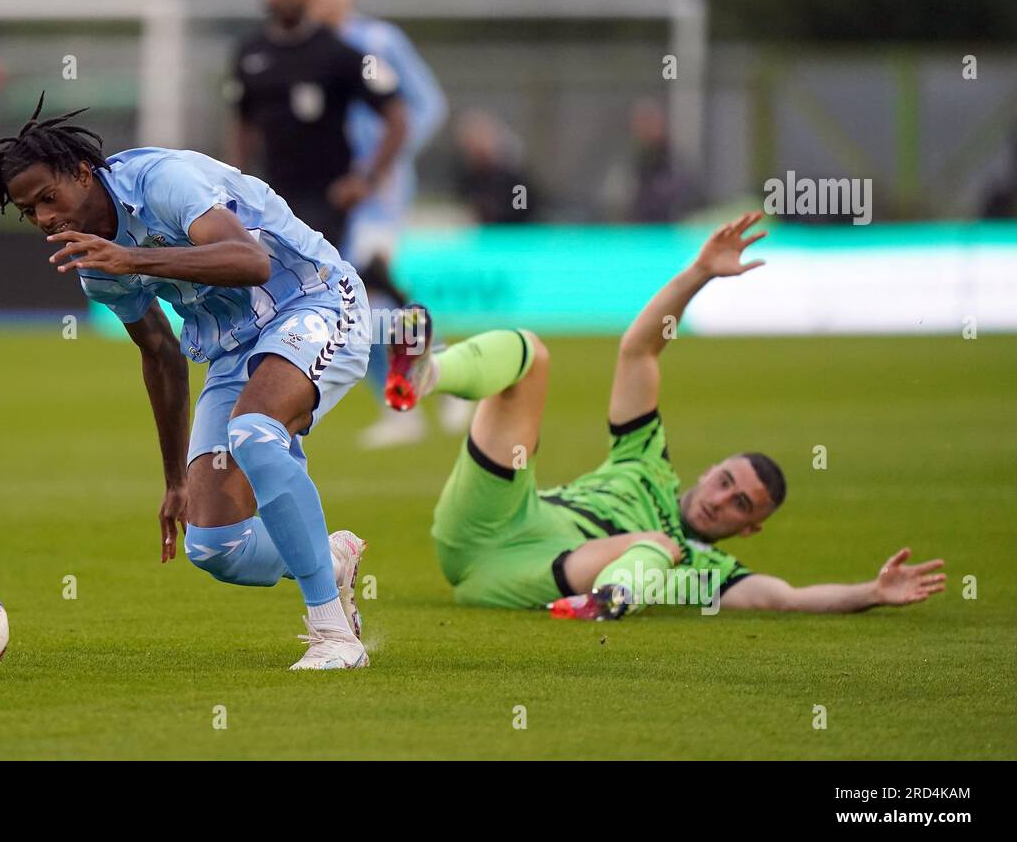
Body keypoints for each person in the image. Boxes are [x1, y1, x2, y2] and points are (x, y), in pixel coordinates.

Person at [0, 94, 374, 669]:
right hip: (236, 350)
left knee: (256, 431)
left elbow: (249, 260)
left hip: (315, 302)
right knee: (216, 546)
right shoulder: (94, 263)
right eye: (28, 210)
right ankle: (331, 560)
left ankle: (334, 636)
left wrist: (132, 259)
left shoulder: (162, 181)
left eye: (48, 197)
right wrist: (174, 481)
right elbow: (160, 353)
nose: (44, 218)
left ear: (84, 174)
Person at [384, 212, 946, 616]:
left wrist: (870, 593)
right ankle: (423, 376)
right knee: (532, 353)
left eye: (740, 504)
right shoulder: (647, 460)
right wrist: (698, 274)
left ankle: (608, 601)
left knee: (658, 546)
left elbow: (785, 598)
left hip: (526, 578)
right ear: (710, 471)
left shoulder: (708, 573)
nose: (721, 498)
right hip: (490, 523)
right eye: (726, 481)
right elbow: (639, 350)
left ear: (749, 529)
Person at [308, 0, 449, 448]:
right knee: (360, 299)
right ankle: (441, 382)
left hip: (377, 192)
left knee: (365, 293)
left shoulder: (376, 41)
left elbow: (428, 103)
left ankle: (413, 401)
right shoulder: (309, 47)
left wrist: (390, 162)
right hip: (330, 194)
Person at [225, 0, 407, 257]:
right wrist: (235, 180)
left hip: (328, 197)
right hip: (270, 192)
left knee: (318, 278)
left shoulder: (341, 52)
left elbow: (397, 116)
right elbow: (242, 122)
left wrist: (369, 179)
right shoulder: (249, 52)